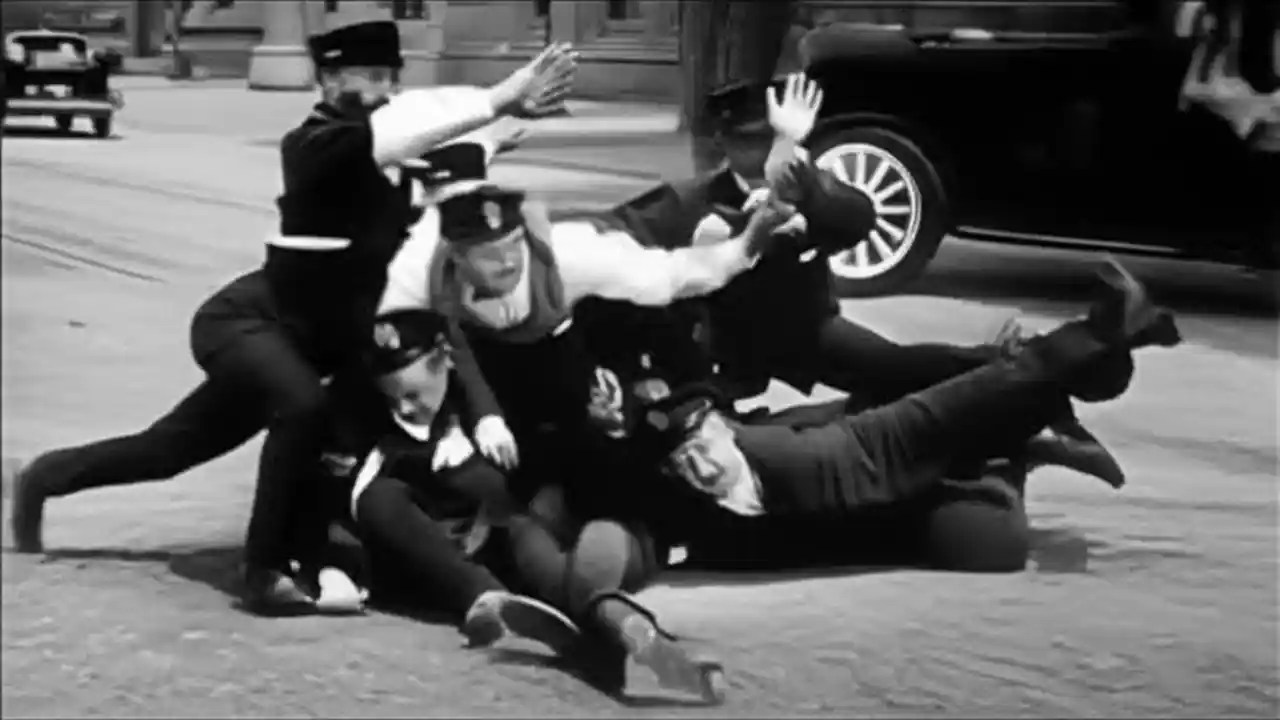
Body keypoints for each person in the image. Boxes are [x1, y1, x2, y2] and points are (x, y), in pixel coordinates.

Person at [7, 20, 578, 615]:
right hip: (247, 324)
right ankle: (264, 569)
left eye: (387, 77)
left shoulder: (396, 152)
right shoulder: (313, 146)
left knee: (169, 450)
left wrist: (498, 128)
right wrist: (494, 98)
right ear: (328, 80)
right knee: (302, 406)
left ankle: (44, 477)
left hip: (307, 344)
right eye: (364, 77)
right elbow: (388, 135)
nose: (378, 90)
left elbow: (444, 150)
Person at [581, 72, 1125, 485]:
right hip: (714, 355)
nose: (759, 151)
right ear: (722, 142)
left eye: (771, 138)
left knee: (907, 373)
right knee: (763, 440)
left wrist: (803, 189)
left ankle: (1046, 391)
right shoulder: (688, 202)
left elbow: (858, 217)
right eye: (748, 140)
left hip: (805, 331)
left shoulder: (811, 185)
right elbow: (610, 237)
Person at [591, 257, 1182, 573]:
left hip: (827, 456)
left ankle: (1104, 341)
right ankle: (1069, 389)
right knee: (963, 428)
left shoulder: (764, 448)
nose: (695, 462)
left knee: (959, 390)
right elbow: (647, 477)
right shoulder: (673, 509)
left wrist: (647, 417)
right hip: (838, 485)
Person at [306, 307, 585, 649]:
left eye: (412, 395)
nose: (404, 410)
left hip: (491, 545)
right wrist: (336, 567)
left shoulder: (485, 402)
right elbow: (351, 500)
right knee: (381, 498)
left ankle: (598, 612)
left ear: (445, 361)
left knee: (527, 523)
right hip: (412, 564)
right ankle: (489, 598)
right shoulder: (363, 421)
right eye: (392, 398)